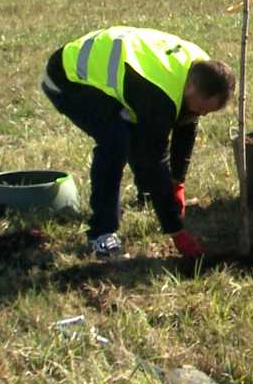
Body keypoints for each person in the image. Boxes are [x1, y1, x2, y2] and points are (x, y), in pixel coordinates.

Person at [41, 27, 235, 259]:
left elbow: (187, 123)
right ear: (192, 88)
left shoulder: (200, 68)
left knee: (140, 128)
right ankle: (101, 233)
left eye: (207, 112)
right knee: (115, 141)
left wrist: (178, 183)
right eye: (203, 108)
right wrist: (176, 229)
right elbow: (153, 159)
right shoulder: (158, 96)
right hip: (68, 79)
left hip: (122, 75)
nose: (202, 115)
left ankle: (147, 195)